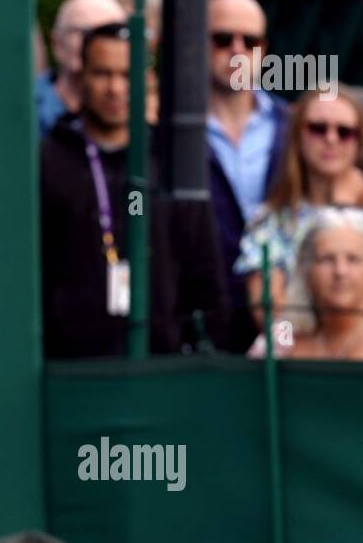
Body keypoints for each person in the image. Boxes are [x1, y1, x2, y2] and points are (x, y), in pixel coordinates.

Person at [40, 22, 228, 357]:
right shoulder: (49, 159)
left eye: (128, 75)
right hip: (72, 367)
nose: (115, 88)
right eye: (103, 73)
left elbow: (205, 271)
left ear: (149, 80)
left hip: (164, 364)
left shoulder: (173, 160)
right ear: (81, 76)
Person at [236, 88, 363, 328]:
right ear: (297, 136)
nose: (331, 139)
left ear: (359, 141)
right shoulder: (269, 221)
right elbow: (269, 318)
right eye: (318, 128)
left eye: (344, 132)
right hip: (301, 358)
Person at [204, 0, 289, 352]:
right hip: (203, 327)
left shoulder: (300, 129)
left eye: (250, 41)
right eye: (222, 39)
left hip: (286, 323)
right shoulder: (168, 134)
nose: (237, 51)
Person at [248, 209, 363, 360]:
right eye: (327, 259)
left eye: (353, 259)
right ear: (306, 269)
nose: (340, 271)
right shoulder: (284, 334)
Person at [35, 0, 127, 135]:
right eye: (81, 32)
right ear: (56, 43)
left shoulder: (142, 111)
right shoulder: (23, 106)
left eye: (103, 33)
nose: (93, 45)